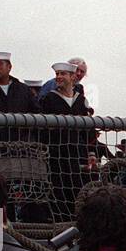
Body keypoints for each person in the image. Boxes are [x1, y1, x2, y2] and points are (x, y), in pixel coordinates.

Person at [40, 61, 92, 222]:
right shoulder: (49, 99)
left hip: (77, 153)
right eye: (57, 74)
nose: (59, 77)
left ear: (72, 76)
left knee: (78, 188)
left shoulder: (80, 100)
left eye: (63, 74)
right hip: (57, 153)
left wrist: (90, 152)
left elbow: (87, 130)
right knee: (58, 189)